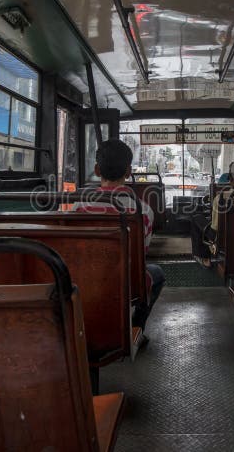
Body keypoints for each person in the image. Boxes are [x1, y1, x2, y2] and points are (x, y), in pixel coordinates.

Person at [72, 139, 165, 332]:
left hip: (84, 282)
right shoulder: (143, 211)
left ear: (97, 171)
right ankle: (136, 326)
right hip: (126, 284)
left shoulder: (77, 207)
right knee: (156, 273)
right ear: (129, 172)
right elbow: (140, 253)